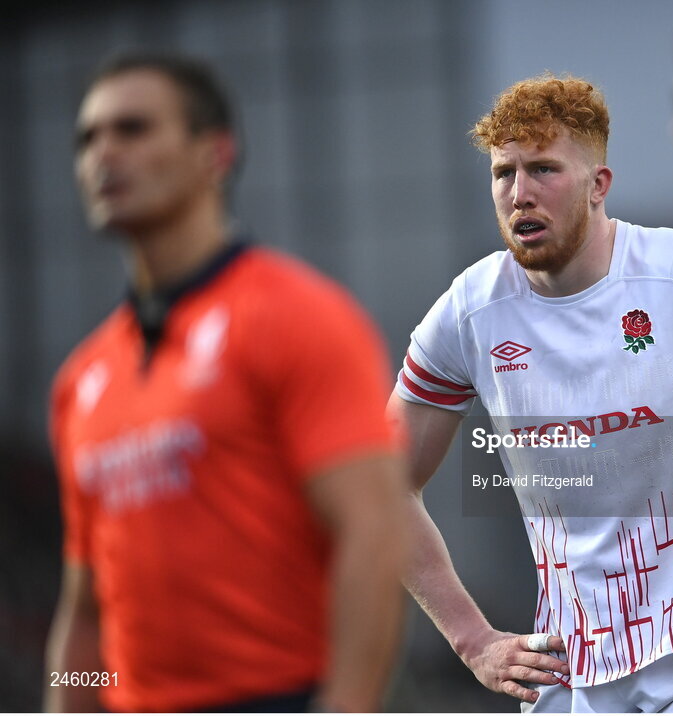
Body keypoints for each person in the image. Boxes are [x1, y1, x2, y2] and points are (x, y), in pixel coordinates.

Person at [389, 73, 673, 712]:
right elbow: (381, 486)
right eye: (504, 173)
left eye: (544, 169)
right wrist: (473, 641)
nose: (520, 193)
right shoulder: (470, 311)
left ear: (598, 184)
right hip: (569, 674)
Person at [44, 52, 407, 712]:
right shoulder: (81, 379)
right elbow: (85, 607)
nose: (103, 154)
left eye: (132, 129)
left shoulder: (296, 317)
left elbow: (373, 536)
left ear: (215, 153)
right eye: (87, 138)